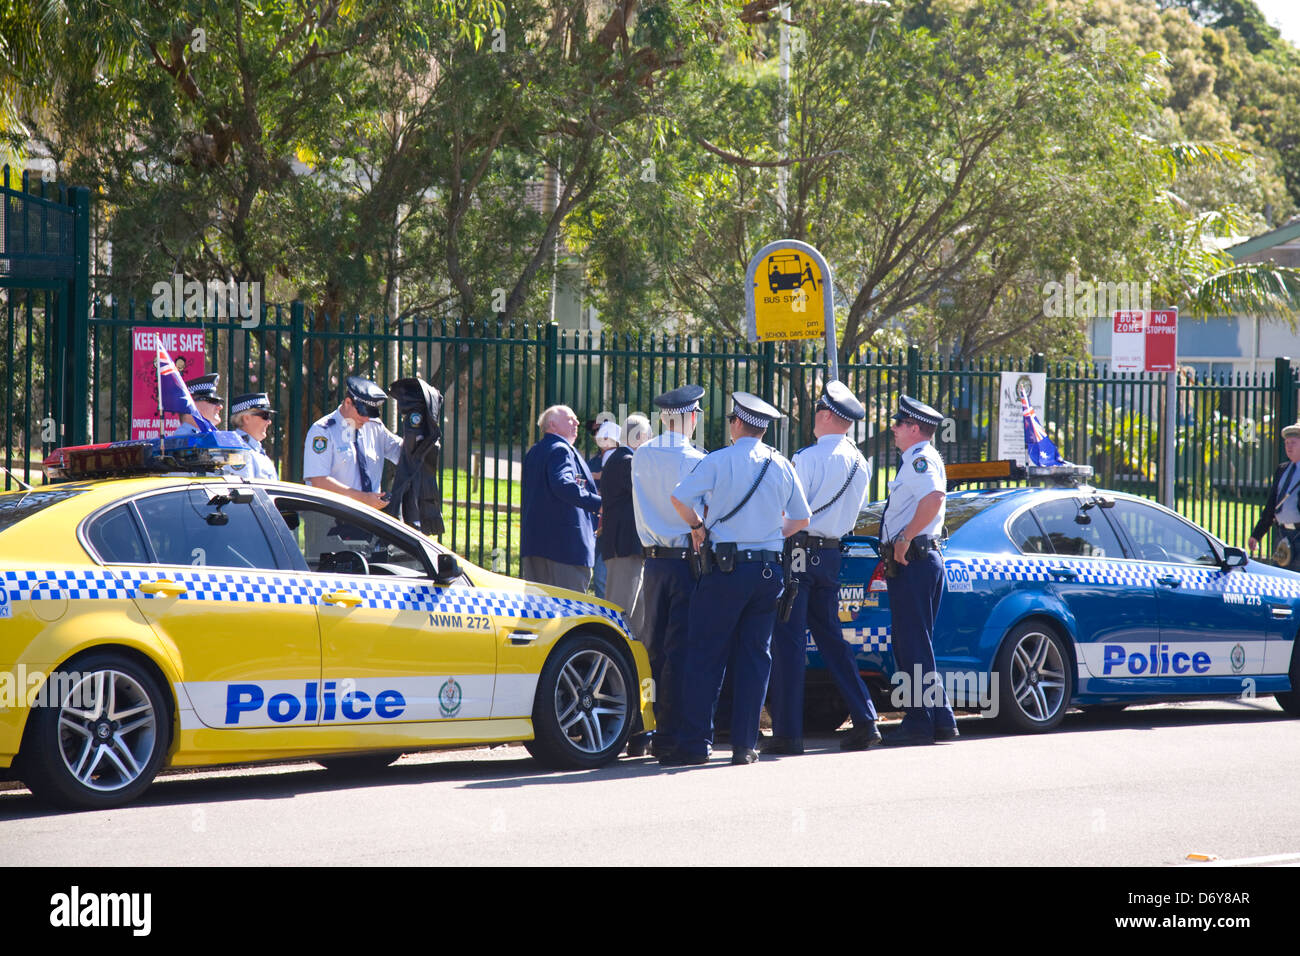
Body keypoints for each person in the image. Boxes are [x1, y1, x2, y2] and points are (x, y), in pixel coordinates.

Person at [664, 391, 811, 766]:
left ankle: (696, 744)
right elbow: (802, 519)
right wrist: (770, 531)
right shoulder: (780, 464)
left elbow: (679, 499)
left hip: (724, 571)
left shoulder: (718, 460)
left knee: (705, 655)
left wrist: (698, 527)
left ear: (735, 423)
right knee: (754, 657)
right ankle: (746, 745)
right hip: (767, 571)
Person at [767, 380, 881, 754]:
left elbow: (792, 512)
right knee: (832, 639)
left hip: (799, 551)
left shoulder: (808, 457)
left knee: (789, 640)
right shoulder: (860, 463)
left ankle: (788, 732)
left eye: (817, 413)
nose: (814, 420)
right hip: (832, 553)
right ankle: (865, 718)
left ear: (828, 416)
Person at [631, 386, 707, 759]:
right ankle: (669, 733)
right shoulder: (696, 459)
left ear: (663, 418)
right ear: (692, 418)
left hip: (652, 561)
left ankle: (642, 728)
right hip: (683, 561)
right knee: (680, 651)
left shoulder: (641, 454)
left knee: (651, 649)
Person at [880, 394, 958, 746]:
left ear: (914, 428)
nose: (893, 429)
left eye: (899, 423)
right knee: (917, 641)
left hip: (913, 558)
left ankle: (919, 721)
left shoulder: (920, 460)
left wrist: (904, 537)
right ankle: (940, 718)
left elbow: (934, 499)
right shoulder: (923, 457)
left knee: (911, 643)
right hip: (920, 559)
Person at [521, 404, 603, 592]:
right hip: (565, 549)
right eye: (570, 419)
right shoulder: (560, 449)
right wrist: (598, 504)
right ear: (552, 425)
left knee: (539, 611)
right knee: (567, 612)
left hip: (536, 545)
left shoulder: (535, 451)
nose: (577, 422)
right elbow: (563, 484)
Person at [302, 376, 401, 509]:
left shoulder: (374, 427)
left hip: (369, 518)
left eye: (370, 414)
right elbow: (318, 482)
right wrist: (364, 499)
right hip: (330, 519)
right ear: (348, 402)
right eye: (362, 412)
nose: (366, 419)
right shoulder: (322, 432)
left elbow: (402, 453)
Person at [1249, 422, 1300, 570]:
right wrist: (1256, 535)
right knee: (1281, 578)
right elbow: (1272, 504)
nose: (1289, 447)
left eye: (1293, 443)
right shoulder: (1282, 469)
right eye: (1286, 443)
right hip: (1283, 534)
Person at [588, 420, 621, 598]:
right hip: (596, 523)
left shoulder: (621, 459)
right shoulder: (595, 461)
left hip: (612, 526)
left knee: (603, 576)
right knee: (600, 575)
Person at [226, 392, 279, 480]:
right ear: (246, 418)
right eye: (265, 416)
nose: (269, 422)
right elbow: (244, 491)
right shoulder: (237, 450)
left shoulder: (253, 449)